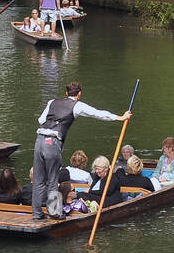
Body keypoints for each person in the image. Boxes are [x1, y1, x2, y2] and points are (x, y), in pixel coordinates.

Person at [32, 81, 131, 221]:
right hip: (52, 143)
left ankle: (36, 214)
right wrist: (120, 117)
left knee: (38, 180)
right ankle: (54, 212)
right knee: (53, 180)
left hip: (39, 141)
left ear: (66, 93)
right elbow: (98, 114)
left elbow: (41, 120)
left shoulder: (52, 101)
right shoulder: (77, 105)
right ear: (79, 94)